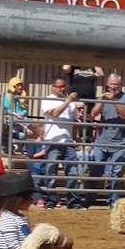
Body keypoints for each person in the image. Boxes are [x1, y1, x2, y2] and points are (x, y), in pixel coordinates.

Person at [88, 73, 125, 206]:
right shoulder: (102, 96)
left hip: (120, 142)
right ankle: (89, 199)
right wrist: (102, 101)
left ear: (121, 84)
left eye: (116, 84)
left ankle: (113, 202)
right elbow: (93, 114)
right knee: (95, 170)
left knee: (117, 173)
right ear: (107, 84)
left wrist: (114, 100)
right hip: (101, 140)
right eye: (111, 84)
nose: (113, 87)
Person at [39, 76, 82, 207]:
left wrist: (76, 138)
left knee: (73, 172)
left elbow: (74, 122)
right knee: (51, 171)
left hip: (68, 141)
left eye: (63, 86)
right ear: (53, 87)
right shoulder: (47, 100)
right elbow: (56, 113)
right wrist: (69, 100)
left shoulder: (72, 105)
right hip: (53, 140)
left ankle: (73, 201)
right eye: (59, 86)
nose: (62, 88)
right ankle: (51, 200)